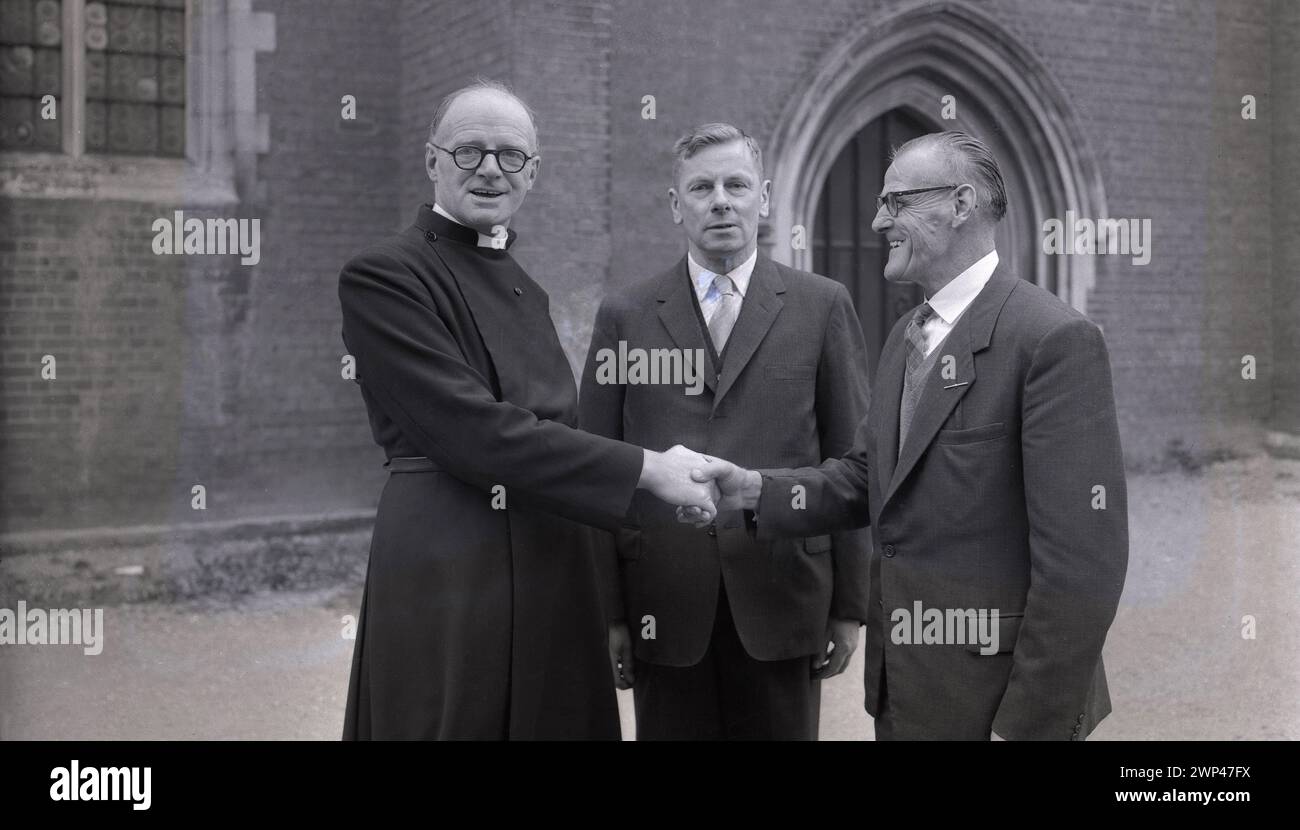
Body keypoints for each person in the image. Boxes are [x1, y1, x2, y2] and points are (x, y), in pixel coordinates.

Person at [686, 131, 1128, 741]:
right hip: (905, 695)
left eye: (897, 202)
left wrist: (1027, 727)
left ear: (961, 204)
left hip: (995, 705)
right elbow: (867, 479)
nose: (876, 220)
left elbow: (1083, 566)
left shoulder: (1053, 341)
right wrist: (753, 490)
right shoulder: (907, 335)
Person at [338, 80, 717, 740]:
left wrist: (648, 505)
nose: (490, 168)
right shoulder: (384, 275)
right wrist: (649, 470)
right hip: (450, 562)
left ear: (533, 173)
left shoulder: (526, 288)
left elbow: (560, 436)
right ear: (433, 161)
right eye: (469, 151)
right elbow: (474, 432)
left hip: (551, 562)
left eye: (511, 155)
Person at [579, 124, 871, 740]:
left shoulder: (822, 306)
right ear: (674, 204)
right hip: (663, 600)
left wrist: (849, 607)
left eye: (736, 185)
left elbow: (851, 460)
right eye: (701, 187)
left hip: (784, 594)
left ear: (763, 197)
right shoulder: (625, 315)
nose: (720, 200)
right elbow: (598, 471)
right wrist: (609, 615)